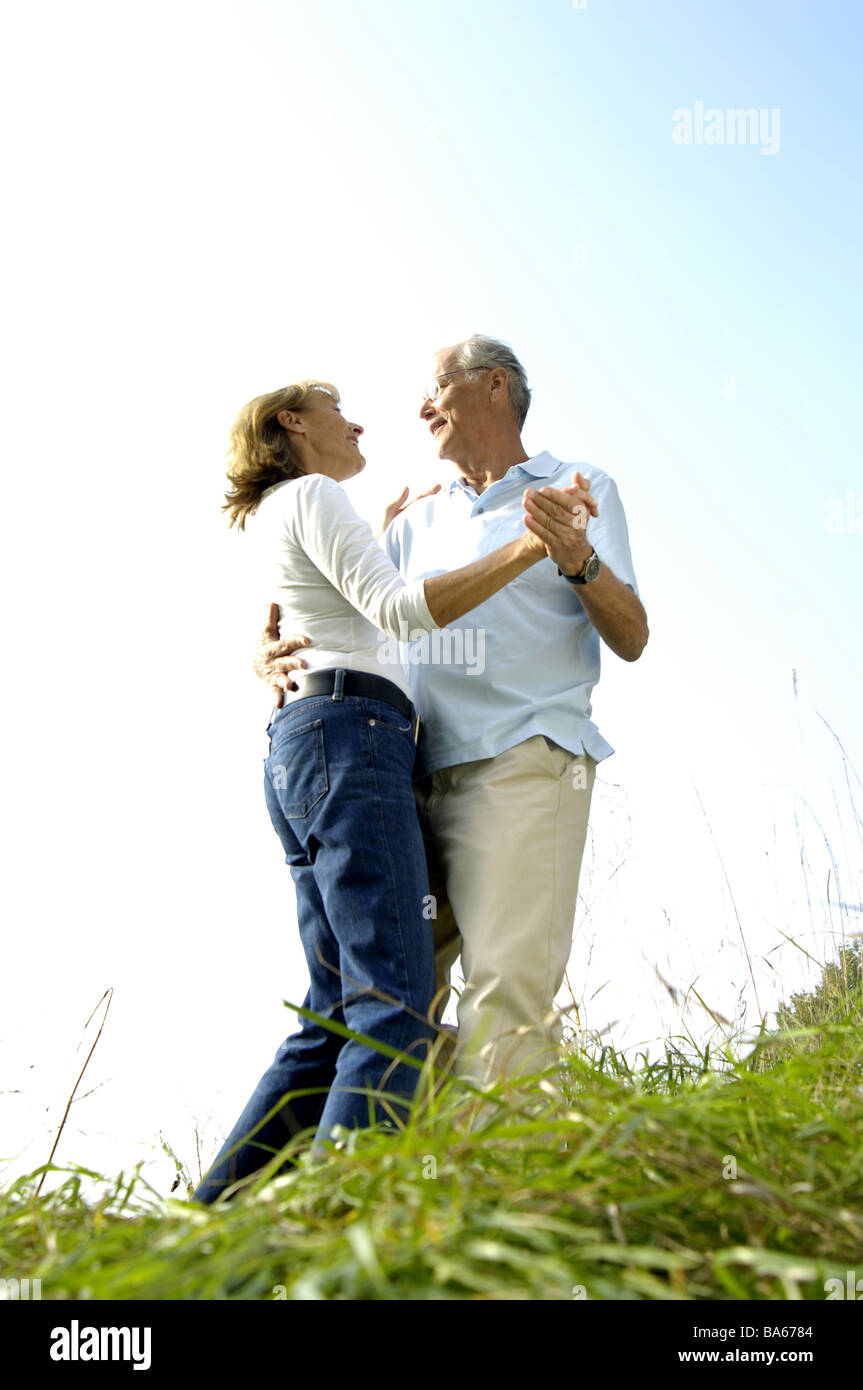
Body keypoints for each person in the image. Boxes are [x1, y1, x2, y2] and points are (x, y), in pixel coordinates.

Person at [192, 376, 581, 1204]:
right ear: (291, 424)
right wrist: (528, 547)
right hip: (352, 742)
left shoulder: (280, 515)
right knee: (390, 1002)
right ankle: (336, 1224)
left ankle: (206, 1228)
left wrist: (377, 535)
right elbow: (400, 612)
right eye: (338, 410)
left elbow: (311, 621)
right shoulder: (314, 495)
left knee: (332, 1010)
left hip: (305, 747)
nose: (359, 420)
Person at [257, 337, 648, 1089]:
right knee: (383, 1002)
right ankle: (389, 1194)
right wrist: (259, 647)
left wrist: (576, 558)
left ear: (493, 385)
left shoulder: (579, 485)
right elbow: (333, 605)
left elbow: (630, 635)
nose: (420, 407)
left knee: (503, 994)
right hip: (402, 778)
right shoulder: (409, 522)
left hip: (523, 758)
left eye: (437, 387)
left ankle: (502, 1194)